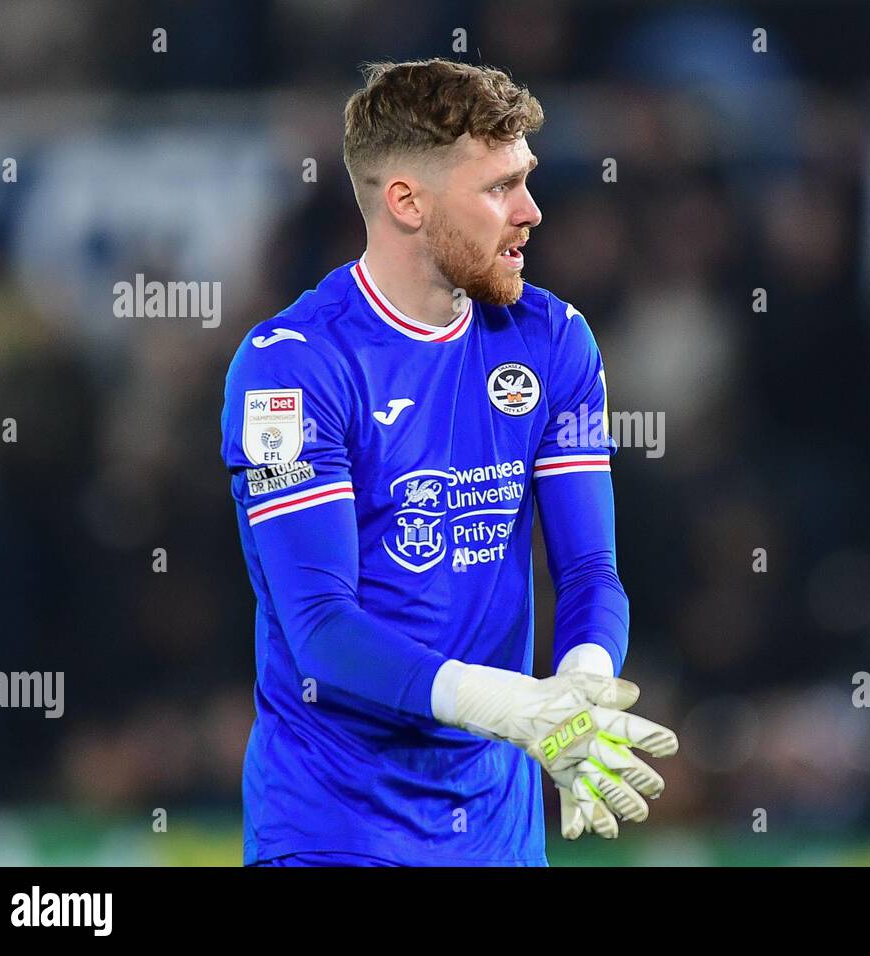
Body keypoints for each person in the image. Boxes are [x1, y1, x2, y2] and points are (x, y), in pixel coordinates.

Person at [219, 58, 677, 867]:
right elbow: (323, 631)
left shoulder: (555, 340)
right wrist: (516, 708)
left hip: (498, 835)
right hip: (336, 830)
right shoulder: (290, 369)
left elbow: (591, 572)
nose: (531, 212)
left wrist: (580, 687)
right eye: (499, 187)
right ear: (406, 201)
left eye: (526, 179)